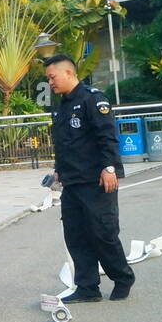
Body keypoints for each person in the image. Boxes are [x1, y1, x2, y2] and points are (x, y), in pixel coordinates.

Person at [44, 54, 135, 302]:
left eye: (52, 77)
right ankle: (87, 287)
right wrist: (58, 170)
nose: (50, 83)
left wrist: (109, 168)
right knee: (76, 235)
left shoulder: (93, 99)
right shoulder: (61, 105)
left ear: (69, 73)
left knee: (103, 232)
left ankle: (122, 277)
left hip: (96, 180)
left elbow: (106, 135)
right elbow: (64, 143)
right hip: (72, 182)